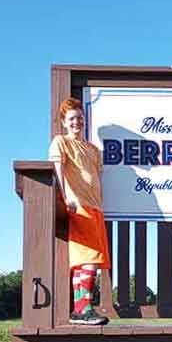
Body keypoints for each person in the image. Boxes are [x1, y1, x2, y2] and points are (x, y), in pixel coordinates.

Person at [49, 98, 111, 325]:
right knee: (88, 257)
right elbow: (58, 170)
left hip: (95, 206)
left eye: (80, 118)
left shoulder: (93, 149)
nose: (77, 122)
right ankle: (82, 308)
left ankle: (82, 308)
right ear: (64, 122)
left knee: (91, 259)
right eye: (72, 119)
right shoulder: (61, 142)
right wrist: (67, 197)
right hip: (79, 205)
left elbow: (97, 176)